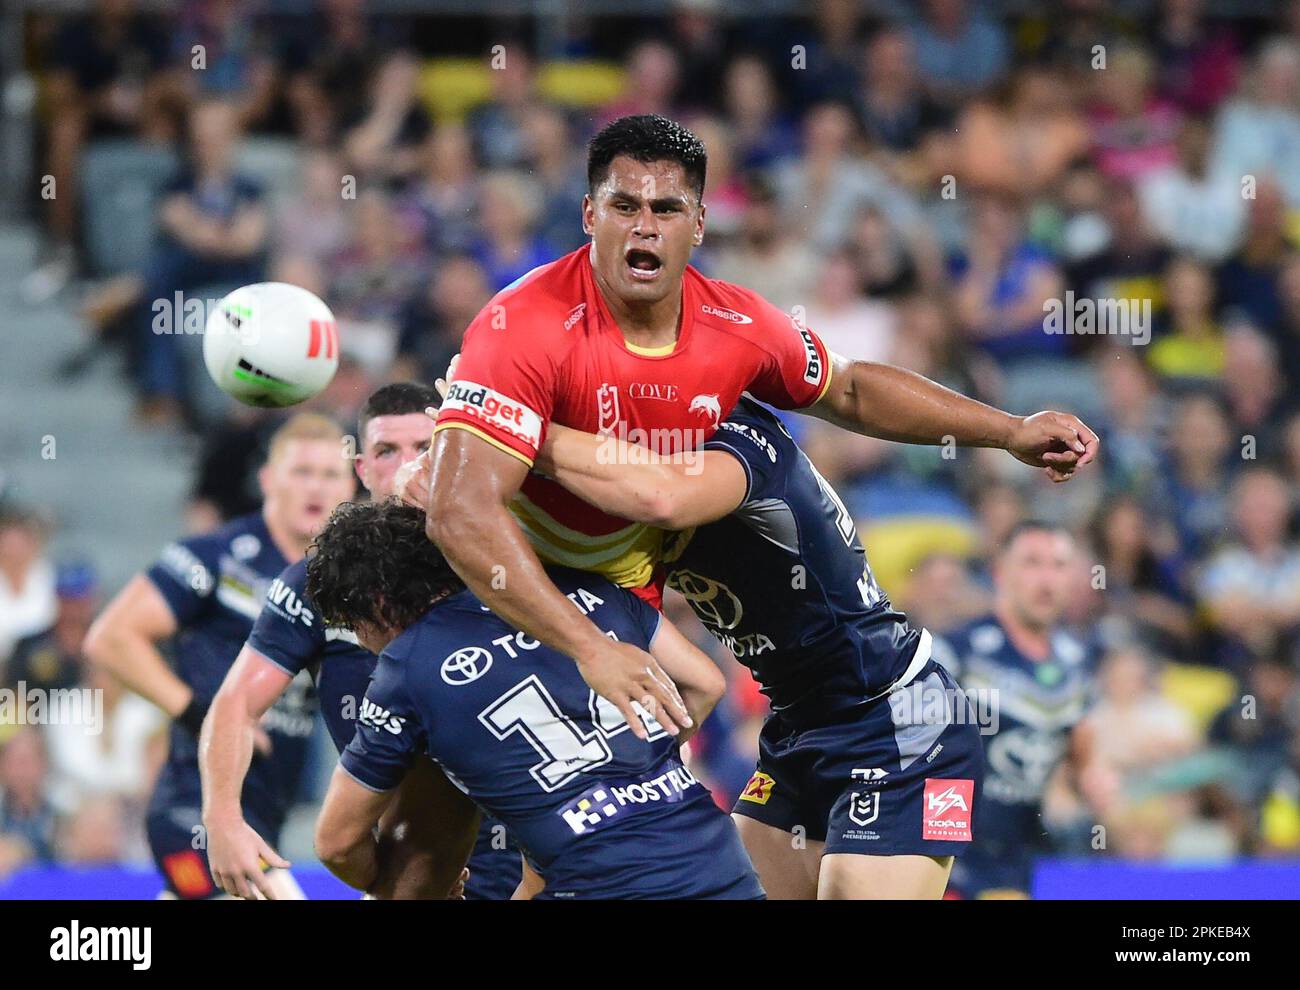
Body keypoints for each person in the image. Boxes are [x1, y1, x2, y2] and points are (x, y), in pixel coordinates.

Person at [425, 113, 1098, 741]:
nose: (644, 228)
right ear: (587, 215)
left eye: (666, 209)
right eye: (623, 206)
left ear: (699, 224)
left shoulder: (740, 327)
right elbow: (460, 513)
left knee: (633, 809)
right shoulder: (522, 326)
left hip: (631, 609)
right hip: (523, 594)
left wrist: (1008, 430)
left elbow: (855, 390)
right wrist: (587, 645)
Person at [464, 394, 988, 899]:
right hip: (798, 729)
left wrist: (510, 421)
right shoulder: (631, 476)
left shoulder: (732, 440)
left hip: (896, 720)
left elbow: (662, 498)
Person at [307, 500, 761, 900]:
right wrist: (647, 764)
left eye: (354, 626)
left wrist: (385, 887)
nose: (362, 644)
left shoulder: (405, 668)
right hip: (722, 869)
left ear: (378, 607)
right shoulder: (578, 586)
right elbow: (705, 683)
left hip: (599, 883)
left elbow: (336, 843)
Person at [200, 383, 520, 900]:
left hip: (532, 855)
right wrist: (220, 819)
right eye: (386, 451)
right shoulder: (315, 583)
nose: (409, 465)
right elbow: (236, 703)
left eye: (425, 448)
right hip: (407, 870)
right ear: (362, 469)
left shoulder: (509, 562)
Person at [83, 414, 355, 898]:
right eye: (301, 472)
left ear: (352, 487)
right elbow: (111, 637)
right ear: (268, 480)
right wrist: (204, 715)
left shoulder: (347, 582)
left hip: (266, 815)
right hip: (194, 810)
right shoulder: (220, 556)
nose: (316, 487)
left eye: (330, 474)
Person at [932, 522, 1098, 898]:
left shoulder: (1076, 664)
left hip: (1025, 857)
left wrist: (1084, 784)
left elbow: (1081, 757)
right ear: (999, 573)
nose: (1046, 579)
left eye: (1058, 565)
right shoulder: (956, 653)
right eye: (1031, 563)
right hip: (952, 856)